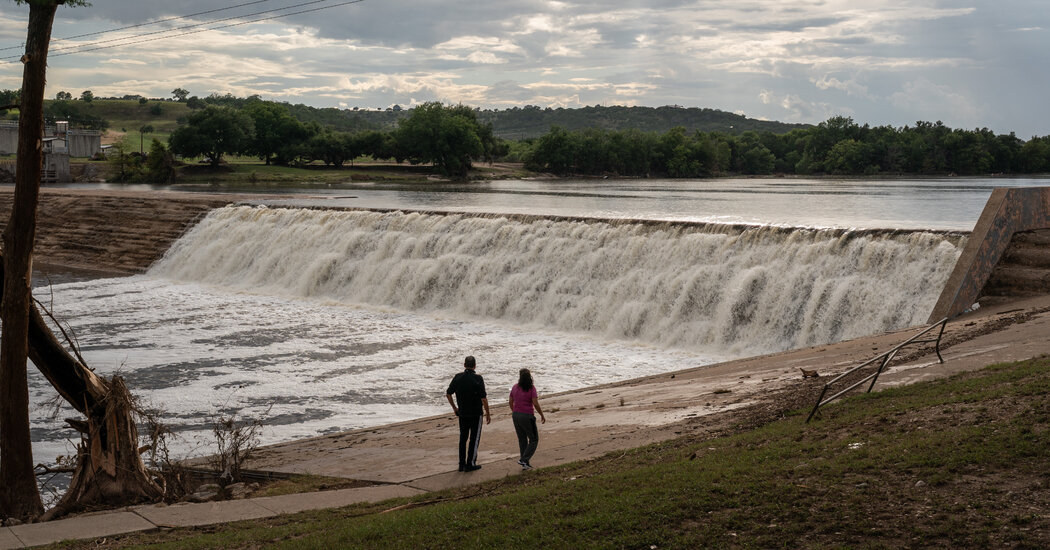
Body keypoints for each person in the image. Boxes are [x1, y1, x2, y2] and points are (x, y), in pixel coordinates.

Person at [445, 355, 490, 472]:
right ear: (475, 366)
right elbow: (483, 399)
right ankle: (470, 463)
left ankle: (461, 463)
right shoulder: (478, 378)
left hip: (463, 412)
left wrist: (455, 407)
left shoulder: (458, 377)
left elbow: (449, 393)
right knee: (474, 439)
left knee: (463, 438)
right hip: (476, 413)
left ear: (464, 365)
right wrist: (488, 413)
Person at [508, 368, 545, 470]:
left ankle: (525, 463)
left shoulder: (515, 387)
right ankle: (524, 460)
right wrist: (541, 414)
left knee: (522, 440)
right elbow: (535, 403)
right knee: (534, 439)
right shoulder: (531, 388)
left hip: (516, 415)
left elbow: (510, 401)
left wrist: (514, 411)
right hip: (527, 416)